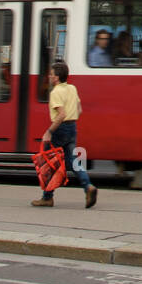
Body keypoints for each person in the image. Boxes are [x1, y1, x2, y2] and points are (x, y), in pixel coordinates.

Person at [32, 61, 97, 209]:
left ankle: (47, 198)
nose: (49, 76)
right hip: (72, 127)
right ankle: (88, 187)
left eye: (51, 74)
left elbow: (61, 114)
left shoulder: (55, 92)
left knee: (51, 162)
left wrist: (49, 132)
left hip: (60, 128)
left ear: (56, 78)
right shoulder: (72, 88)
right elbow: (79, 109)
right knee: (73, 161)